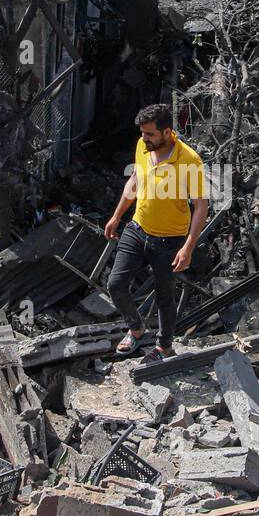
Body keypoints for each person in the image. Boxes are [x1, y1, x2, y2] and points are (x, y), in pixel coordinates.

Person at [104, 103, 208, 362]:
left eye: (149, 134)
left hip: (170, 240)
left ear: (167, 132)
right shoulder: (143, 147)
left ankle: (164, 347)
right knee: (115, 284)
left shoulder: (189, 160)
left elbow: (201, 206)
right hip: (138, 229)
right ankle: (137, 329)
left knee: (164, 296)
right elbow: (135, 180)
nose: (144, 138)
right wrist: (117, 216)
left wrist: (188, 247)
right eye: (142, 133)